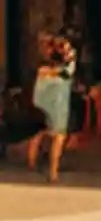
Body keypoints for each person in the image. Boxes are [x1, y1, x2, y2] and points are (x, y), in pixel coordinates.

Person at [28, 30, 78, 183]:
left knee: (38, 134)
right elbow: (69, 70)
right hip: (58, 107)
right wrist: (71, 57)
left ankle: (31, 163)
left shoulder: (42, 71)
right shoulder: (63, 72)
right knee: (58, 137)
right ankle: (53, 171)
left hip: (40, 106)